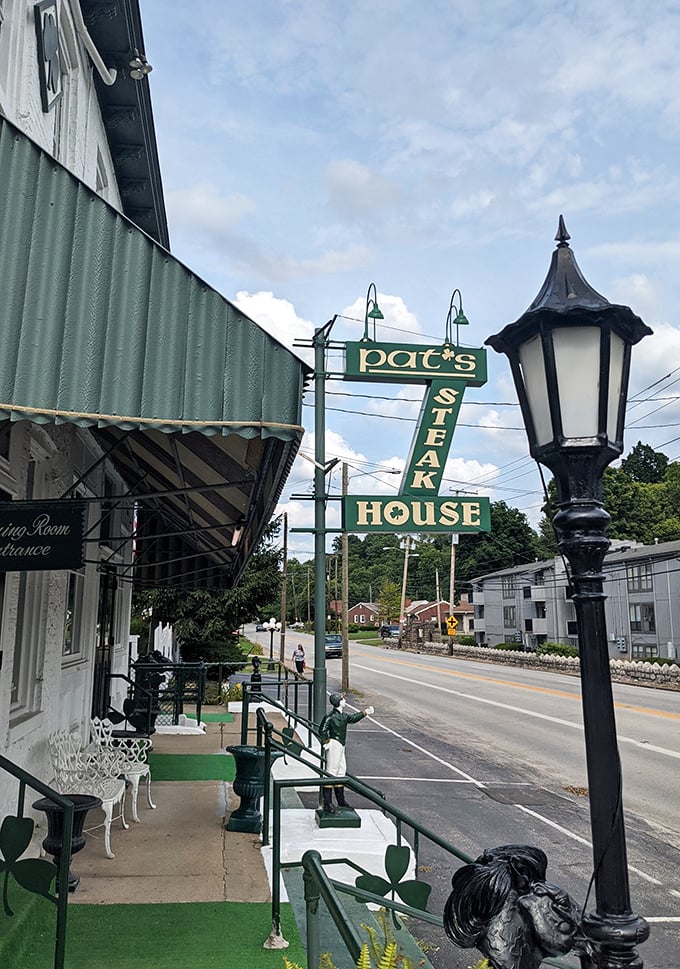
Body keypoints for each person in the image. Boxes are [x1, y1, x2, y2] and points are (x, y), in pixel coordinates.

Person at [318, 692, 374, 814]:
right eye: (342, 699)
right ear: (338, 702)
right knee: (331, 771)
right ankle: (327, 803)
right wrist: (326, 741)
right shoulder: (330, 716)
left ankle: (341, 801)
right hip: (334, 744)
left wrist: (364, 712)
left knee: (341, 771)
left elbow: (352, 719)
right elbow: (322, 730)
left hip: (341, 744)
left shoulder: (342, 715)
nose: (345, 701)